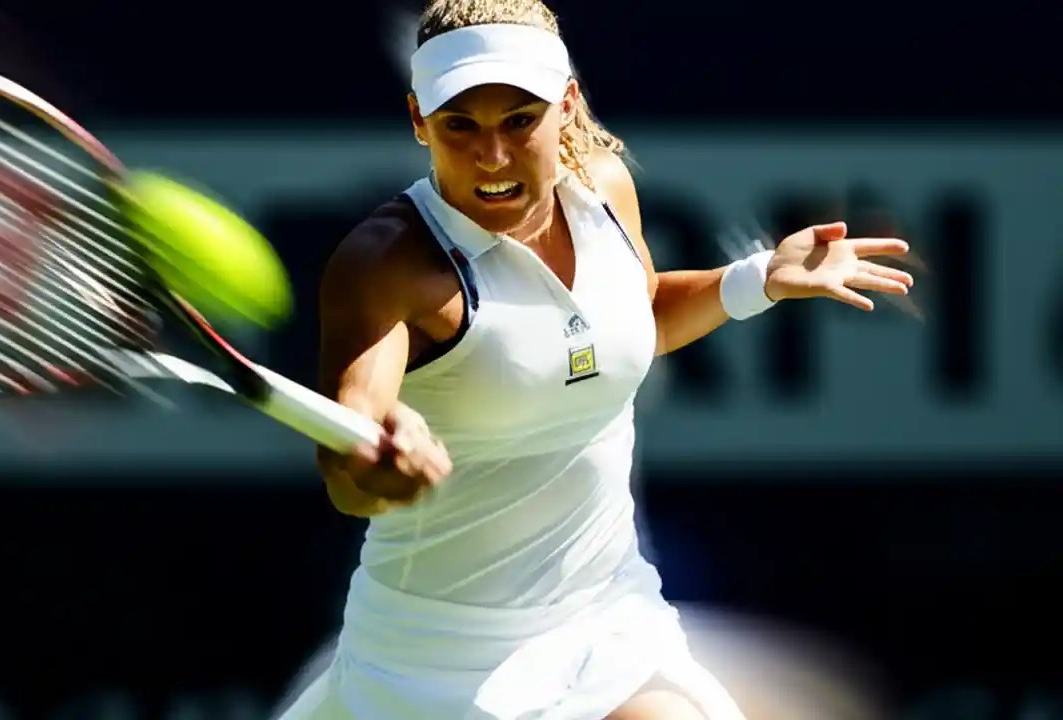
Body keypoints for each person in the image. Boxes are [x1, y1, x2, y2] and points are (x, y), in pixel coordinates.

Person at [278, 1, 913, 718]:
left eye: (520, 121)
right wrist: (378, 459)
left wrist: (755, 278)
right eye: (461, 126)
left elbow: (629, 321)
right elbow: (352, 451)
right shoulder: (385, 264)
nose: (492, 156)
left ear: (566, 104)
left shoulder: (605, 188)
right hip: (432, 658)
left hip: (609, 616)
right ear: (419, 120)